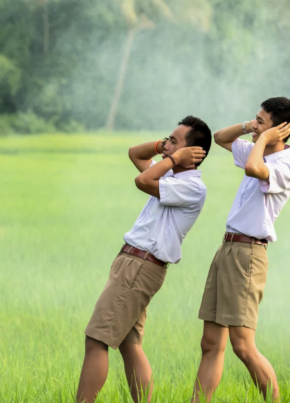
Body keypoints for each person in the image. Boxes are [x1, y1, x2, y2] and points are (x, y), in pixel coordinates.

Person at [76, 116, 212, 403]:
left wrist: (173, 159)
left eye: (175, 141)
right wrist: (164, 147)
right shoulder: (171, 175)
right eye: (168, 139)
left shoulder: (191, 187)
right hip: (133, 263)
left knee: (97, 339)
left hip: (141, 266)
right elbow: (134, 154)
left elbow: (142, 180)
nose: (167, 145)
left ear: (193, 153)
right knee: (130, 344)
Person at [191, 97, 290, 403]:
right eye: (255, 120)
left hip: (248, 255)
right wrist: (251, 128)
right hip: (228, 249)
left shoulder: (284, 167)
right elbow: (220, 138)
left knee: (243, 345)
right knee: (210, 343)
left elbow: (253, 168)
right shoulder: (257, 147)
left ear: (279, 131)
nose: (254, 126)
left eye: (260, 121)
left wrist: (263, 138)